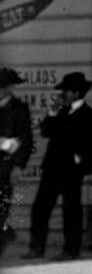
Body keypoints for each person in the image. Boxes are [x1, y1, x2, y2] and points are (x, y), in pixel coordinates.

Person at [28, 71, 92, 260]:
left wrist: (81, 159)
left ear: (77, 93)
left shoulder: (89, 115)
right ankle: (36, 248)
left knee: (71, 210)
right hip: (52, 167)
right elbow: (45, 132)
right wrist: (52, 112)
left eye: (66, 91)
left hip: (71, 170)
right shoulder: (60, 111)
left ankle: (71, 250)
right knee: (40, 208)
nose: (63, 95)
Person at [0, 67, 36, 253]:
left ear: (8, 88)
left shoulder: (19, 109)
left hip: (5, 166)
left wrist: (18, 166)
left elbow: (26, 141)